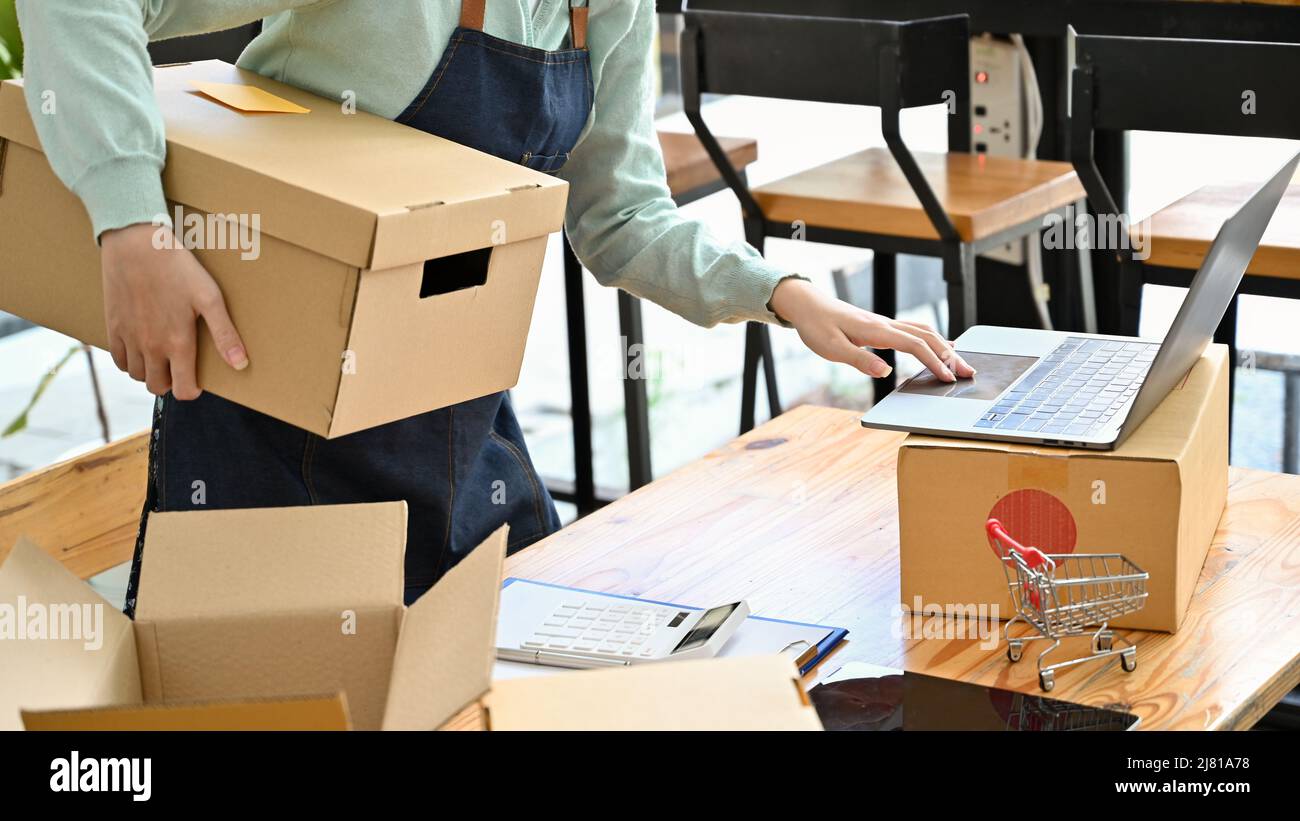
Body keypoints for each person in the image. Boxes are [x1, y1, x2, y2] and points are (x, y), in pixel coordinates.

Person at [15, 0, 973, 612]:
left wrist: (784, 293)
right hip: (270, 438)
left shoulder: (613, 12)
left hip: (460, 436)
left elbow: (620, 213)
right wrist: (131, 221)